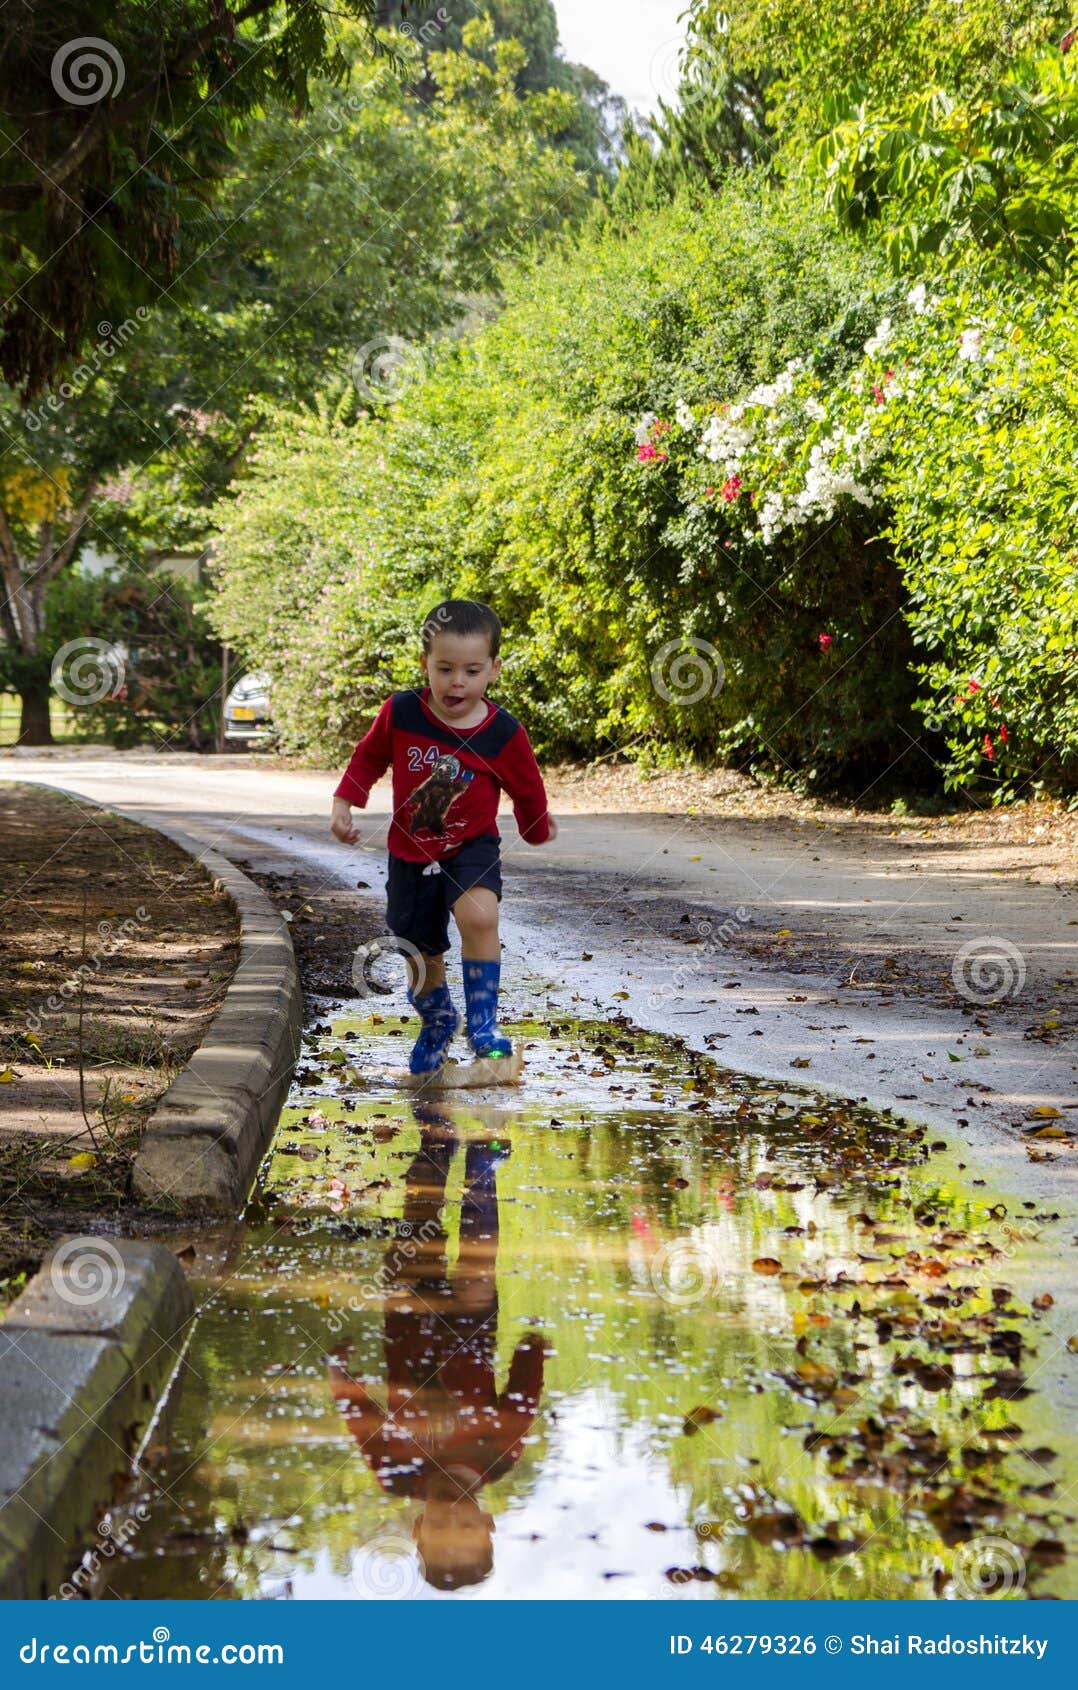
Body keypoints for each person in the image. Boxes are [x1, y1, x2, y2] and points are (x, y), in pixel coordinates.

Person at [329, 599, 558, 1074]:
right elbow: (367, 758)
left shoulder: (503, 734)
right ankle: (436, 1020)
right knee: (417, 947)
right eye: (445, 668)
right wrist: (344, 803)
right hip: (410, 853)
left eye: (472, 670)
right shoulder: (402, 712)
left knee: (479, 915)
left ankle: (483, 1023)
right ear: (424, 665)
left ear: (493, 669)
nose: (458, 682)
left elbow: (527, 786)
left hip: (471, 846)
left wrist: (536, 828)